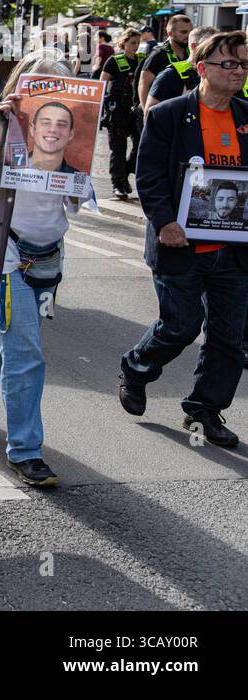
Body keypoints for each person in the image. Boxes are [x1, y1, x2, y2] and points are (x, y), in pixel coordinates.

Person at [0, 50, 83, 488]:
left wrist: (77, 171)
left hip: (47, 257)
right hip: (3, 252)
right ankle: (26, 451)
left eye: (58, 89)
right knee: (25, 352)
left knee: (6, 342)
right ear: (20, 88)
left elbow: (77, 203)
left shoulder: (66, 131)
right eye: (39, 87)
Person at [120, 30, 248, 450]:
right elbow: (151, 175)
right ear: (202, 69)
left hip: (233, 251)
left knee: (229, 336)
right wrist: (164, 222)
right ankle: (138, 368)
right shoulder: (169, 115)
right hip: (180, 244)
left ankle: (204, 408)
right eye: (229, 64)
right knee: (180, 326)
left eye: (244, 64)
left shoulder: (246, 116)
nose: (238, 71)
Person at [100, 27, 144, 198]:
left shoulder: (143, 60)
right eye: (132, 43)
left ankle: (125, 172)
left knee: (141, 145)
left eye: (138, 43)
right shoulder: (114, 61)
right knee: (118, 149)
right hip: (117, 110)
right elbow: (102, 83)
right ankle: (118, 183)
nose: (136, 46)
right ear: (124, 43)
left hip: (136, 110)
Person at [145, 25, 217, 114]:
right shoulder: (170, 75)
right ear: (194, 47)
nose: (216, 51)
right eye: (210, 47)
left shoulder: (221, 74)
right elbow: (150, 114)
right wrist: (183, 102)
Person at [138, 14, 192, 108]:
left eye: (190, 32)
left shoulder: (191, 53)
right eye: (183, 32)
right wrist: (146, 113)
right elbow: (143, 84)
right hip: (162, 110)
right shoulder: (158, 54)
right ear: (170, 34)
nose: (188, 36)